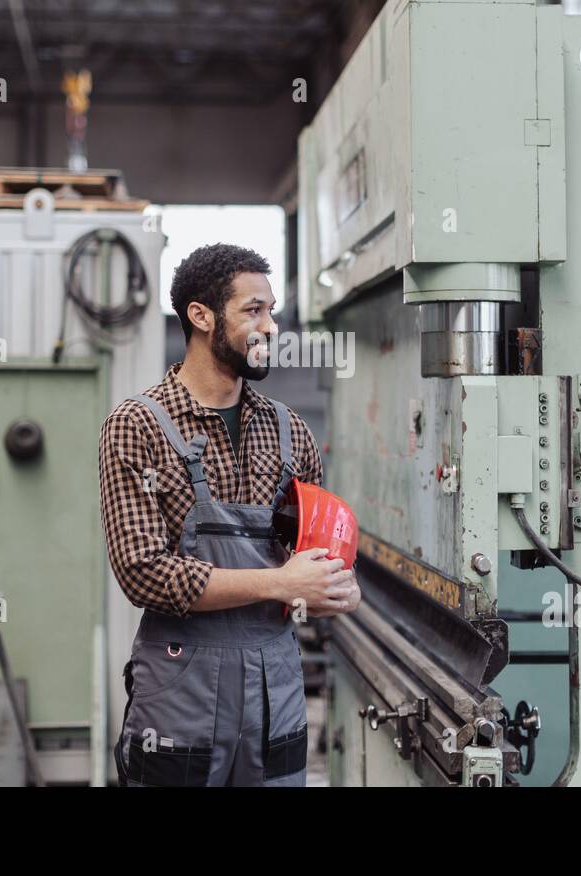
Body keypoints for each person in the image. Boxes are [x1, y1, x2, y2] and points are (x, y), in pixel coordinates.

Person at [99, 243, 359, 787]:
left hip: (275, 685)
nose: (271, 327)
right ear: (201, 316)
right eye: (253, 310)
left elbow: (317, 553)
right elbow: (143, 571)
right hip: (181, 685)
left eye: (273, 311)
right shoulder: (138, 426)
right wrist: (281, 582)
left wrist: (337, 587)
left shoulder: (291, 432)